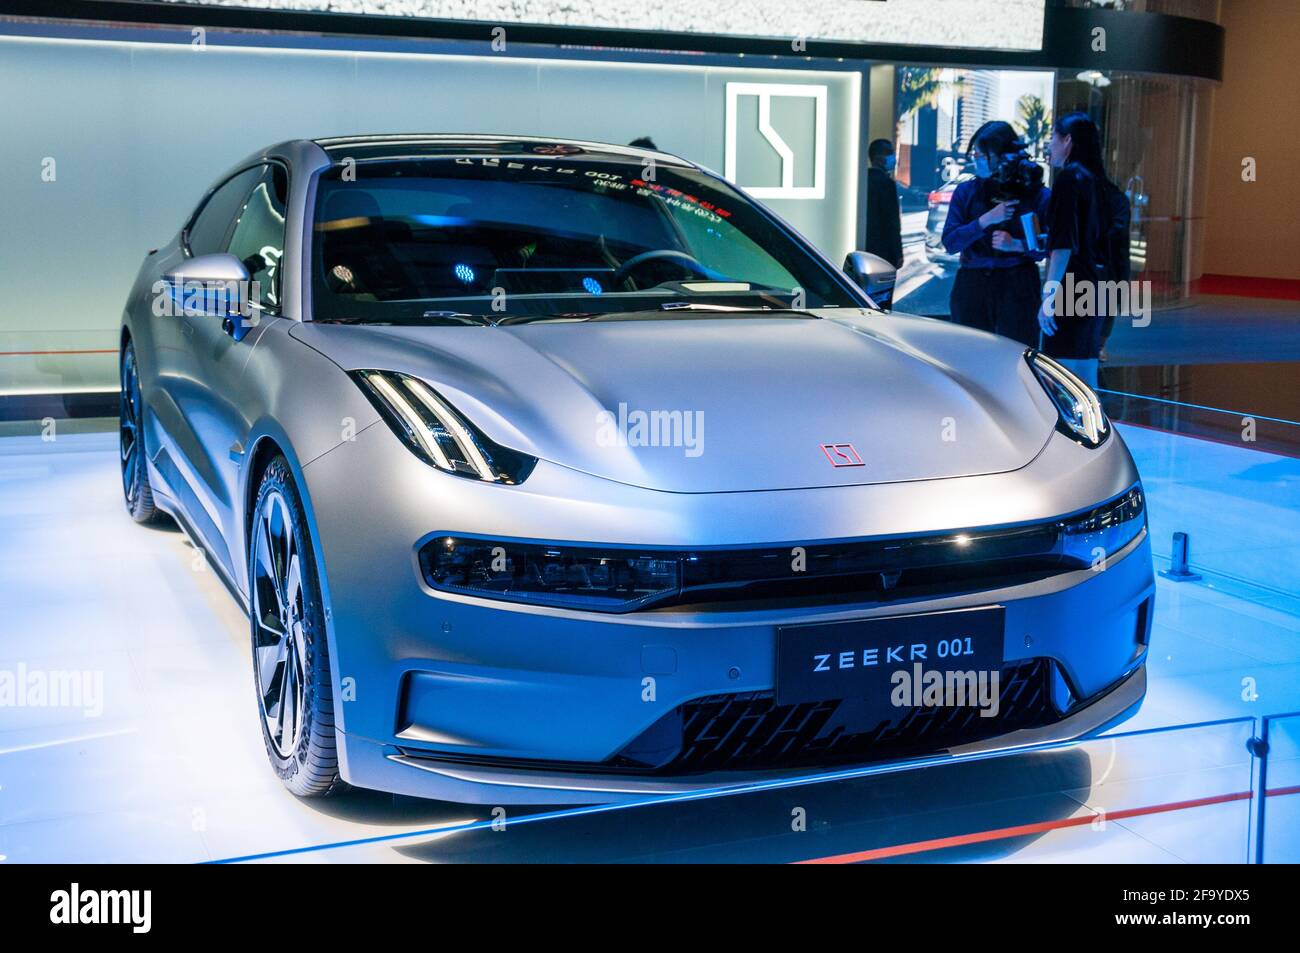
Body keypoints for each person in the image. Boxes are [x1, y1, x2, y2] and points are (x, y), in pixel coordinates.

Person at [941, 121, 1052, 347]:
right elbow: (950, 242)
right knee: (968, 354)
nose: (976, 160)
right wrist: (985, 220)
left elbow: (1050, 246)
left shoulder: (1036, 194)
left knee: (1018, 355)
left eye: (981, 155)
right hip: (972, 284)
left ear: (1002, 156)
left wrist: (1017, 245)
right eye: (975, 154)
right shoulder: (967, 191)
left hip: (1018, 284)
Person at [1038, 112, 1114, 387]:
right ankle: (1098, 429)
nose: (1049, 145)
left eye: (1052, 138)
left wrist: (1049, 296)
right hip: (1096, 287)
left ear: (1067, 140)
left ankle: (1067, 431)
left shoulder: (1069, 179)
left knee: (1062, 379)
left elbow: (1063, 246)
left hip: (1071, 287)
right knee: (1086, 373)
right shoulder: (1099, 182)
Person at [864, 138, 904, 268]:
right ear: (877, 157)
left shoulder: (863, 179)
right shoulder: (887, 184)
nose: (893, 157)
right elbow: (892, 222)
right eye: (889, 153)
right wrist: (898, 253)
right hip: (884, 251)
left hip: (866, 246)